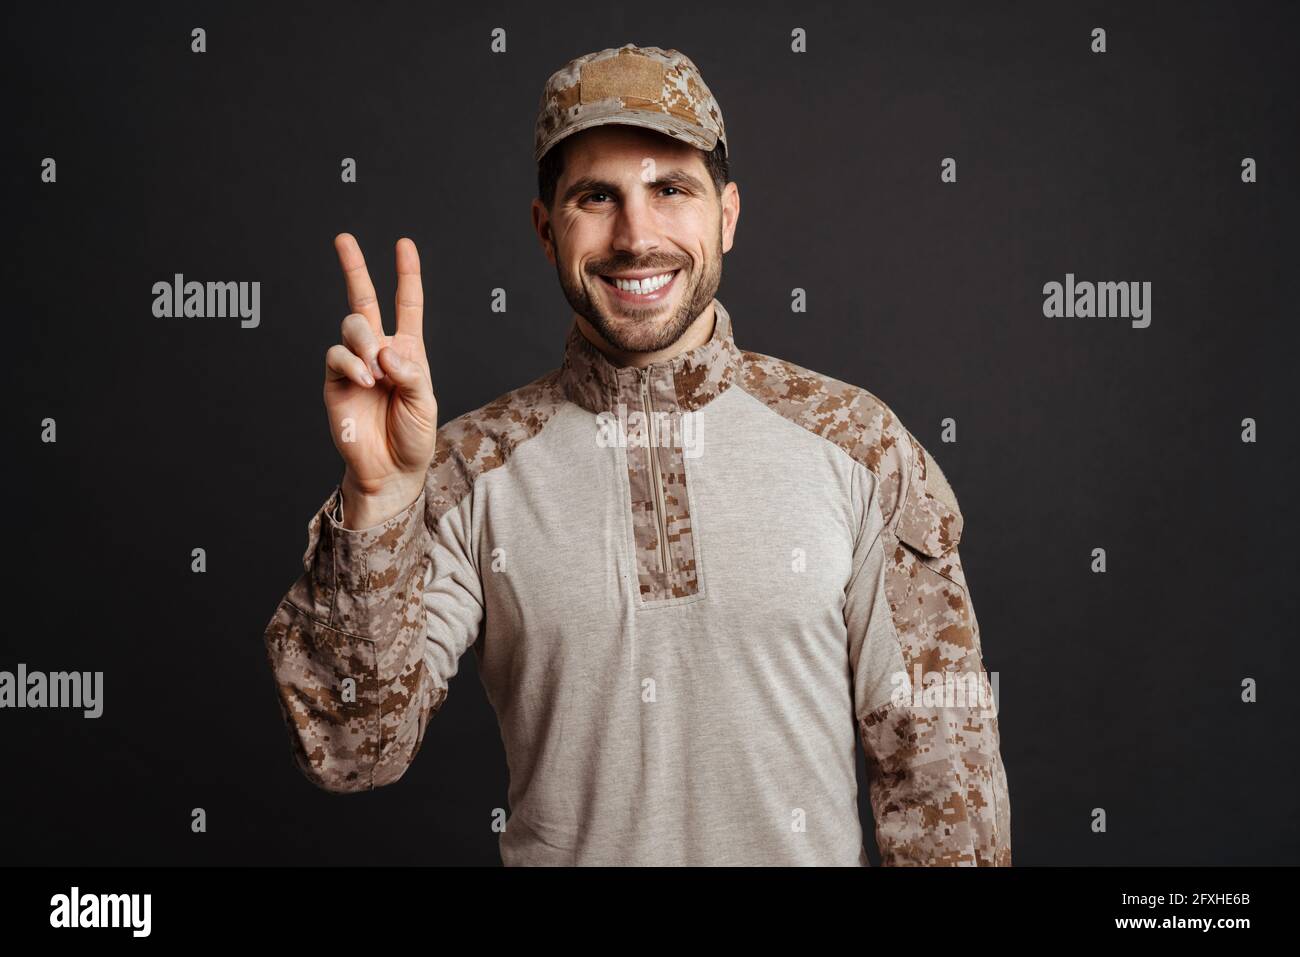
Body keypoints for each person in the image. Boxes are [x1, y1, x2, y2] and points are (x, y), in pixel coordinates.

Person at [262, 42, 1011, 866]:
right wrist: (377, 501)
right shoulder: (465, 470)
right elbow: (350, 748)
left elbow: (940, 775)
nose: (635, 235)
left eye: (669, 189)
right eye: (597, 196)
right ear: (548, 231)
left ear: (726, 214)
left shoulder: (860, 446)